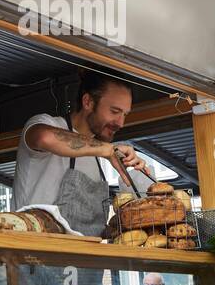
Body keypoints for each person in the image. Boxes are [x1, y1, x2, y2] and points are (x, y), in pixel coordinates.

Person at [14, 72, 151, 237]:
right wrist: (107, 150)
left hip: (83, 260)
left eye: (125, 114)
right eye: (115, 111)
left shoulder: (97, 156)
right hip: (37, 256)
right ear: (88, 102)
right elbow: (45, 137)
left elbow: (88, 229)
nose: (121, 123)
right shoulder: (47, 123)